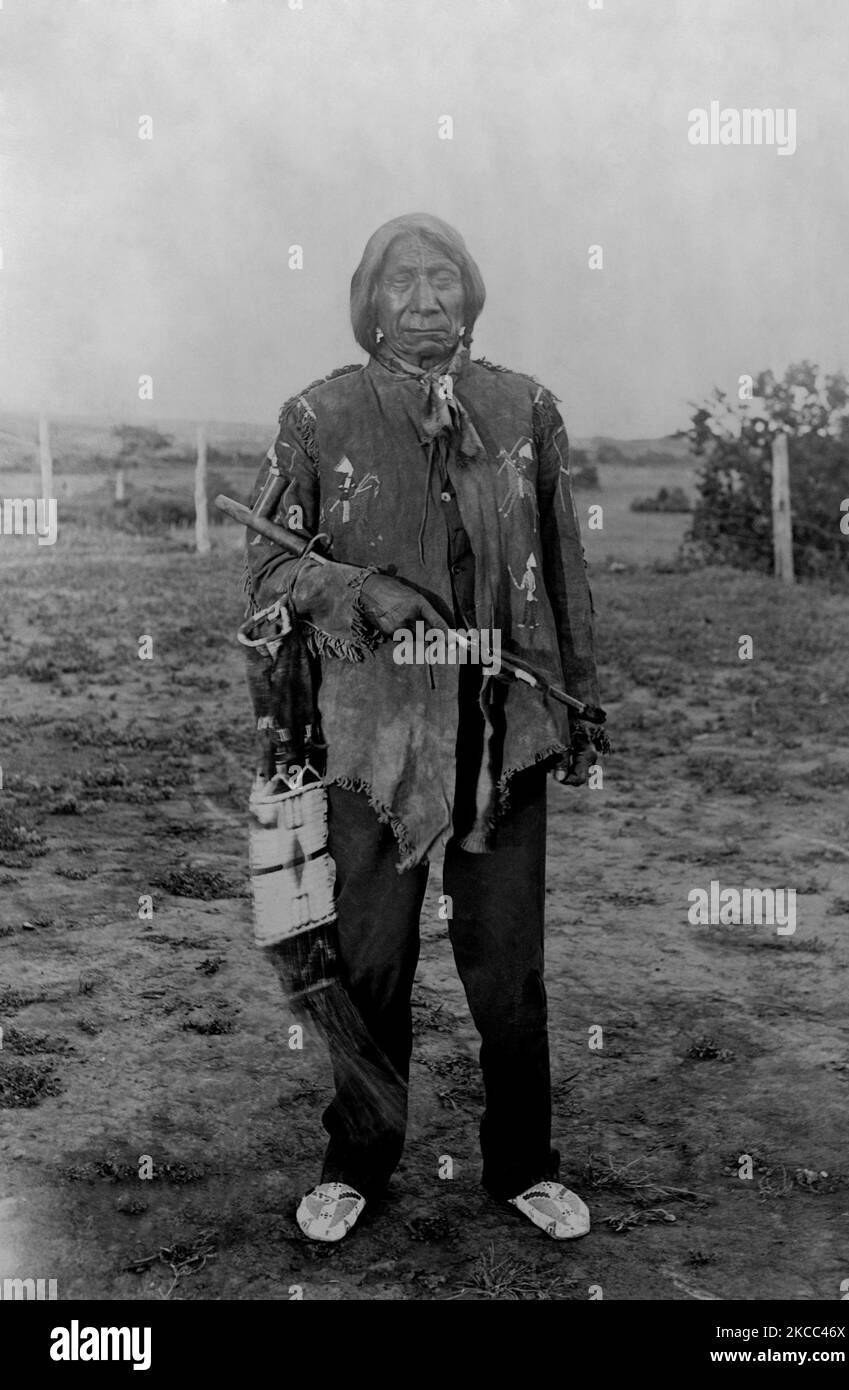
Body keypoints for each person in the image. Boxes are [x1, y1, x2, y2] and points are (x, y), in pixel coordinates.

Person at [244, 212, 604, 1243]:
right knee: (370, 961)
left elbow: (564, 569)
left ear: (470, 292)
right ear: (368, 299)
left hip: (502, 728)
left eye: (443, 277)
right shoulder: (318, 417)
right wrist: (358, 587)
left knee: (508, 967)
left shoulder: (524, 410)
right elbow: (265, 572)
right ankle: (357, 1159)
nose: (425, 297)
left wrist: (580, 701)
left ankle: (523, 1164)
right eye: (400, 280)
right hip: (372, 729)